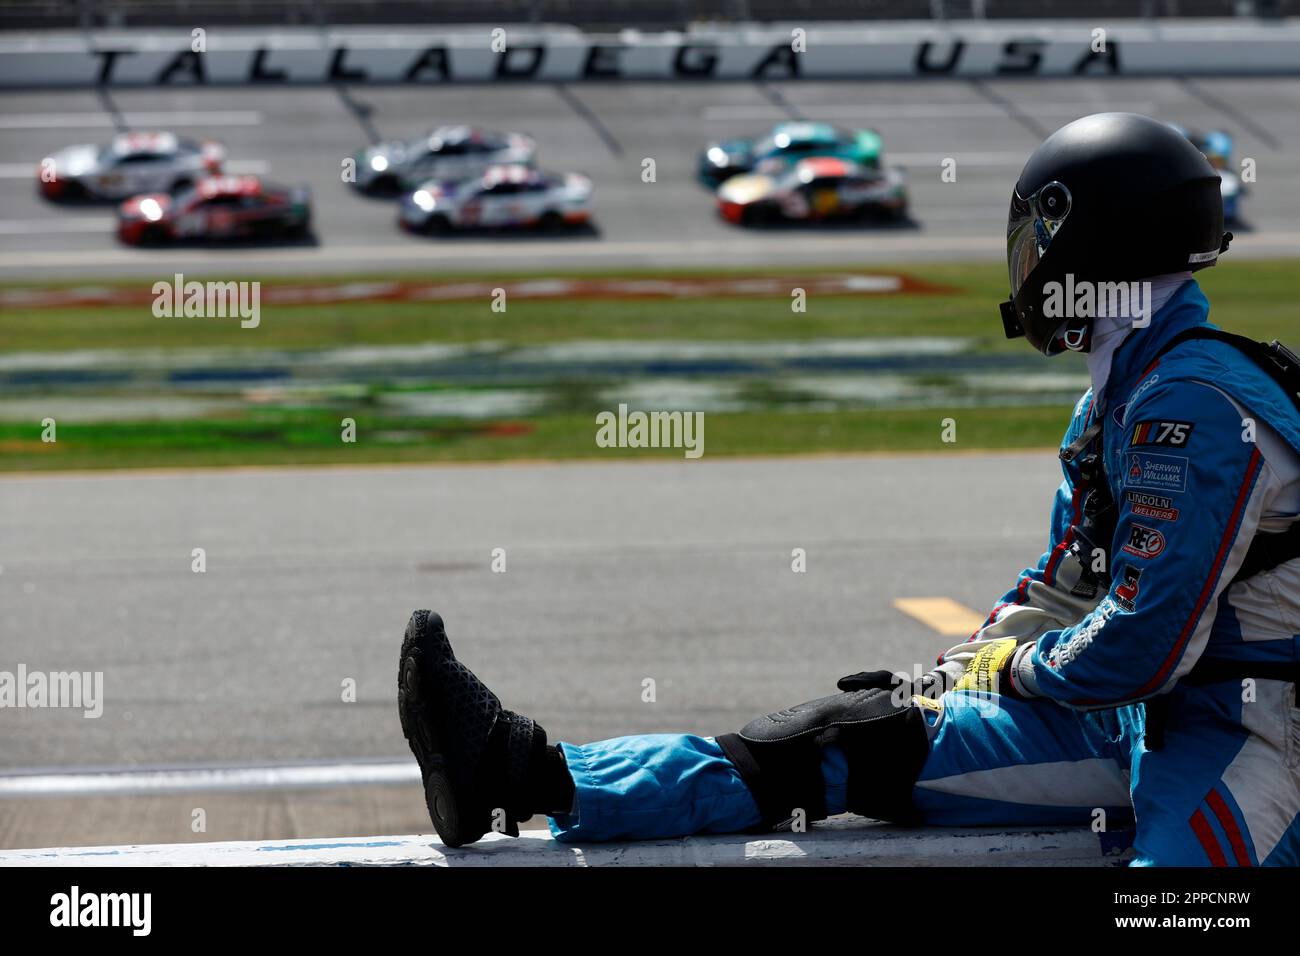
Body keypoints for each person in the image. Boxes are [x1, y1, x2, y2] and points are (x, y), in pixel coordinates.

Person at [397, 113, 1300, 866]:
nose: (1027, 267)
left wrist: (1014, 671)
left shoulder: (1196, 406)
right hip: (1147, 719)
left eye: (1038, 239)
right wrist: (948, 680)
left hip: (1258, 731)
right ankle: (523, 774)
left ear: (1091, 240)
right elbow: (1068, 587)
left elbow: (1145, 643)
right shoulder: (1123, 396)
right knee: (845, 735)